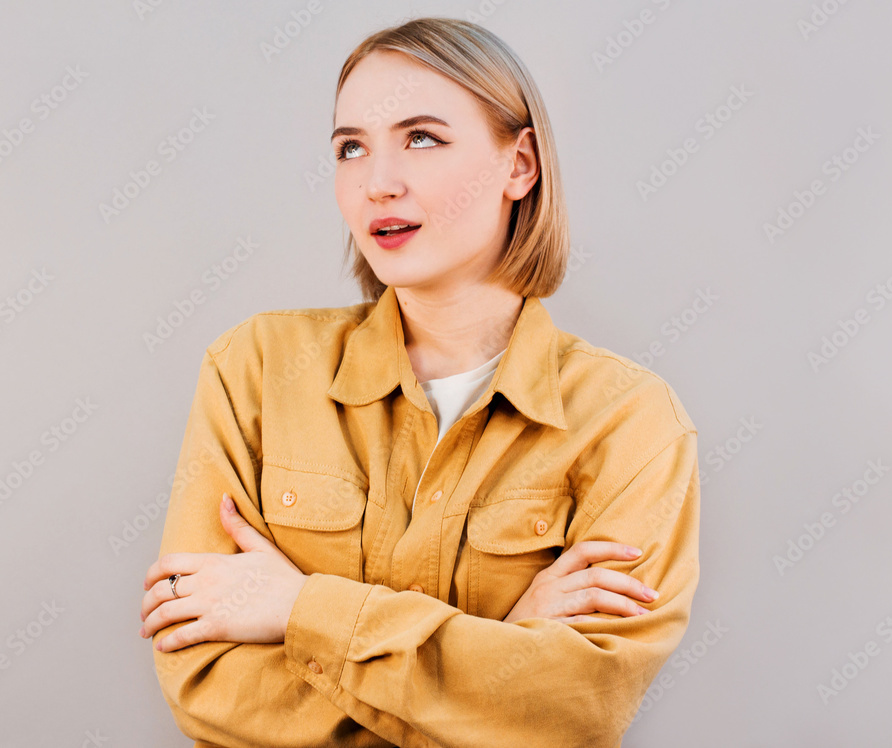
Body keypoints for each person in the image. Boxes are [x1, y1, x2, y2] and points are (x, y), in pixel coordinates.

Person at [139, 16, 700, 748]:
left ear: (520, 165)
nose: (378, 183)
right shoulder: (254, 368)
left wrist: (300, 607)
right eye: (350, 148)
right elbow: (209, 689)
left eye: (422, 138)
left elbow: (577, 709)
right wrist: (503, 646)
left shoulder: (629, 421)